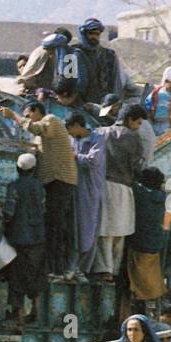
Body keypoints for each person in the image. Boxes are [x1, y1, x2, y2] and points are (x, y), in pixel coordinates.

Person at [0, 101, 76, 278]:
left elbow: (36, 128)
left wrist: (14, 116)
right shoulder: (43, 131)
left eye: (28, 114)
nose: (26, 118)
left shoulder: (51, 120)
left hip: (60, 179)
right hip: (54, 180)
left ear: (36, 111)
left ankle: (57, 269)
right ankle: (53, 267)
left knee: (54, 226)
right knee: (52, 225)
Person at [92, 105, 146, 283]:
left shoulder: (101, 132)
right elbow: (138, 166)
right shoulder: (134, 139)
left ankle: (104, 269)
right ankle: (113, 270)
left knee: (105, 231)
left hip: (104, 186)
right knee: (120, 232)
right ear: (130, 120)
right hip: (124, 188)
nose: (138, 126)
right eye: (138, 122)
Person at [4, 153, 46, 323]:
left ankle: (18, 315)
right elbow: (43, 209)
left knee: (16, 276)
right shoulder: (40, 187)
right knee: (34, 273)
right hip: (37, 236)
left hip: (19, 237)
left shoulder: (14, 187)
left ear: (17, 168)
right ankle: (36, 310)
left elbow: (9, 212)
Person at [67, 112, 106, 280]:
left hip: (89, 190)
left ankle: (80, 267)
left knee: (87, 229)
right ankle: (72, 267)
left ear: (77, 125)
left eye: (70, 129)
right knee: (74, 229)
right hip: (76, 188)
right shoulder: (74, 139)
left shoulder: (97, 139)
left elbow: (93, 161)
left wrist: (75, 157)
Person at [128, 167, 169, 303]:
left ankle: (137, 292)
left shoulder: (140, 193)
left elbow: (131, 183)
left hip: (140, 240)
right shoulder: (162, 196)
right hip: (156, 242)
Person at [74, 18, 124, 104]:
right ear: (84, 34)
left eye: (97, 34)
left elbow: (116, 82)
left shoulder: (109, 55)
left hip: (103, 103)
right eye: (91, 33)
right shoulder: (74, 53)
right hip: (79, 102)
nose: (94, 37)